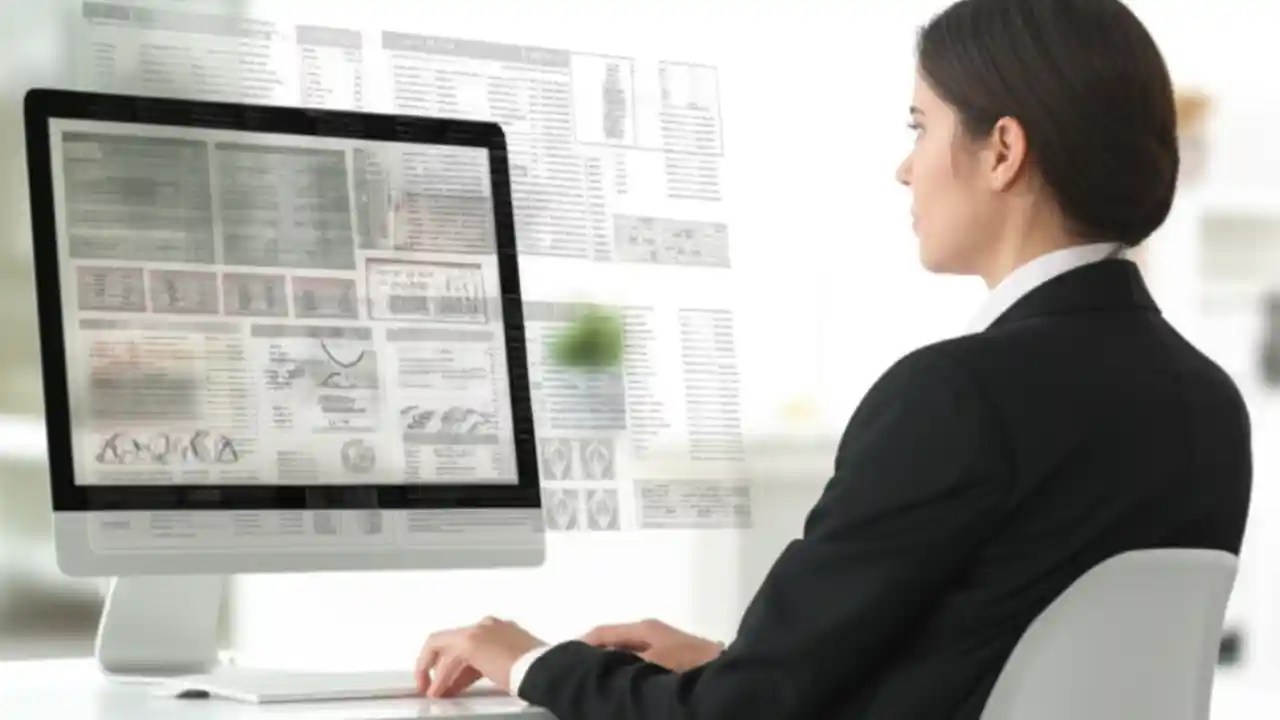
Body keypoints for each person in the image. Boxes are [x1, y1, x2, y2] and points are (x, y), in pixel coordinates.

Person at [411, 0, 1254, 717]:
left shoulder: (959, 395)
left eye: (920, 127)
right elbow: (988, 661)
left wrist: (530, 662)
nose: (903, 168)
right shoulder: (1208, 404)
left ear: (1003, 150)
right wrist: (734, 658)